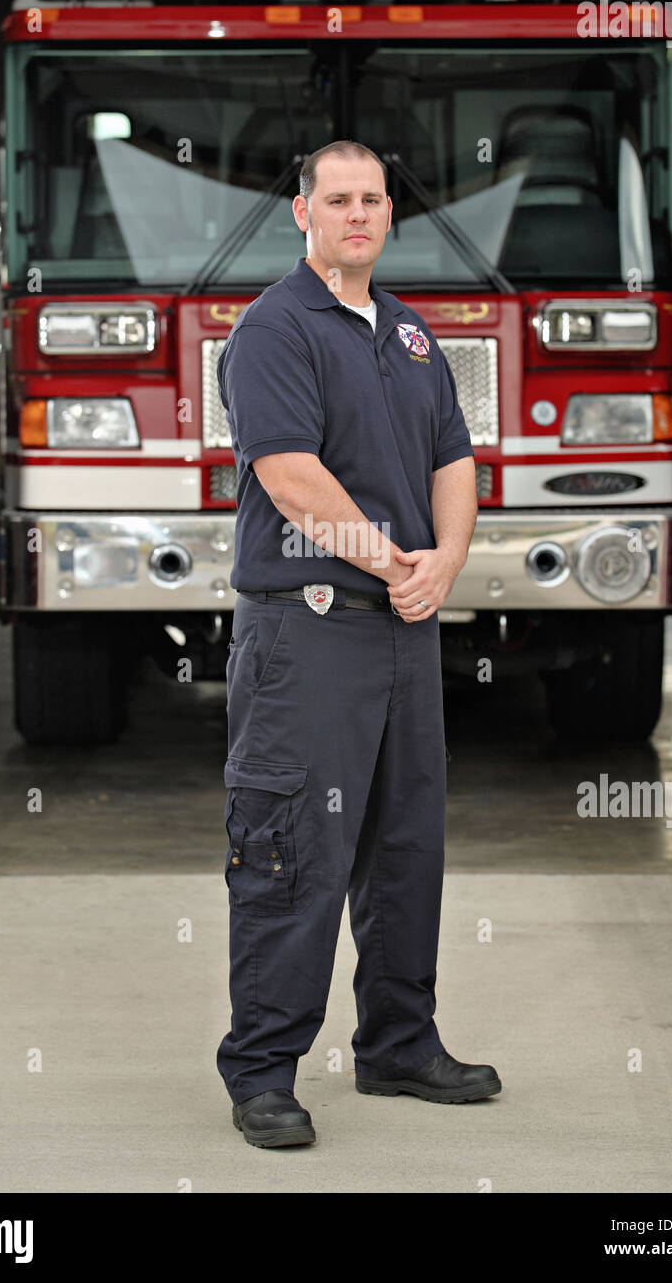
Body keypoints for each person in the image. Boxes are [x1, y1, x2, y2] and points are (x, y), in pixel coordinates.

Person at [216, 139, 501, 1149]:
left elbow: (455, 462)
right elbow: (290, 477)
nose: (356, 215)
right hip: (309, 631)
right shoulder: (271, 331)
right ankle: (263, 1070)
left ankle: (398, 1042)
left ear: (389, 214)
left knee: (405, 844)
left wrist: (444, 563)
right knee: (292, 846)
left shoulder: (413, 338)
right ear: (302, 215)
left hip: (404, 630)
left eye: (372, 199)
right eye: (336, 200)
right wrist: (394, 562)